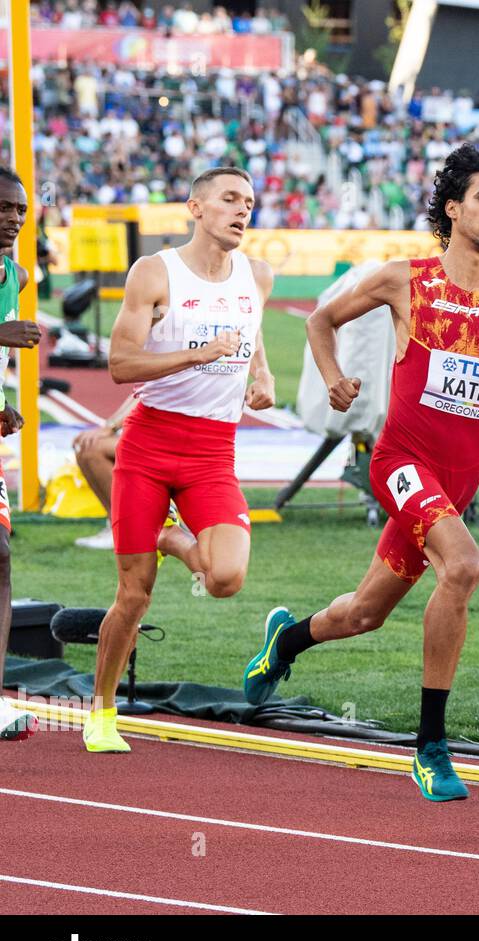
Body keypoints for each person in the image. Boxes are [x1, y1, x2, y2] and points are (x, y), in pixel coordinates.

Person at [240, 145, 479, 802]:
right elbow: (321, 321)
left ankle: (285, 642)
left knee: (362, 614)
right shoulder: (403, 279)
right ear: (452, 206)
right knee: (463, 568)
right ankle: (430, 747)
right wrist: (333, 380)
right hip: (402, 463)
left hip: (457, 480)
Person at [87, 166, 276, 753]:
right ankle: (101, 711)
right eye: (228, 200)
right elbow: (121, 364)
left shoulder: (258, 275)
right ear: (195, 208)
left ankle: (170, 537)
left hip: (213, 452)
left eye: (249, 202)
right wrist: (195, 355)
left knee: (225, 577)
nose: (242, 210)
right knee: (134, 595)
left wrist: (261, 371)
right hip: (148, 448)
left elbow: (252, 328)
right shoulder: (155, 272)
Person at [0, 167, 42, 741]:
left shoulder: (13, 275)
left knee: (1, 556)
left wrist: (4, 404)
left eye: (20, 212)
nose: (13, 219)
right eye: (4, 208)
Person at [73, 396, 138, 550]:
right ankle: (116, 525)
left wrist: (110, 428)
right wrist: (107, 427)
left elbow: (146, 396)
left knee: (92, 450)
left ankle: (124, 529)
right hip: (163, 435)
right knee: (86, 447)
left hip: (177, 440)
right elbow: (139, 393)